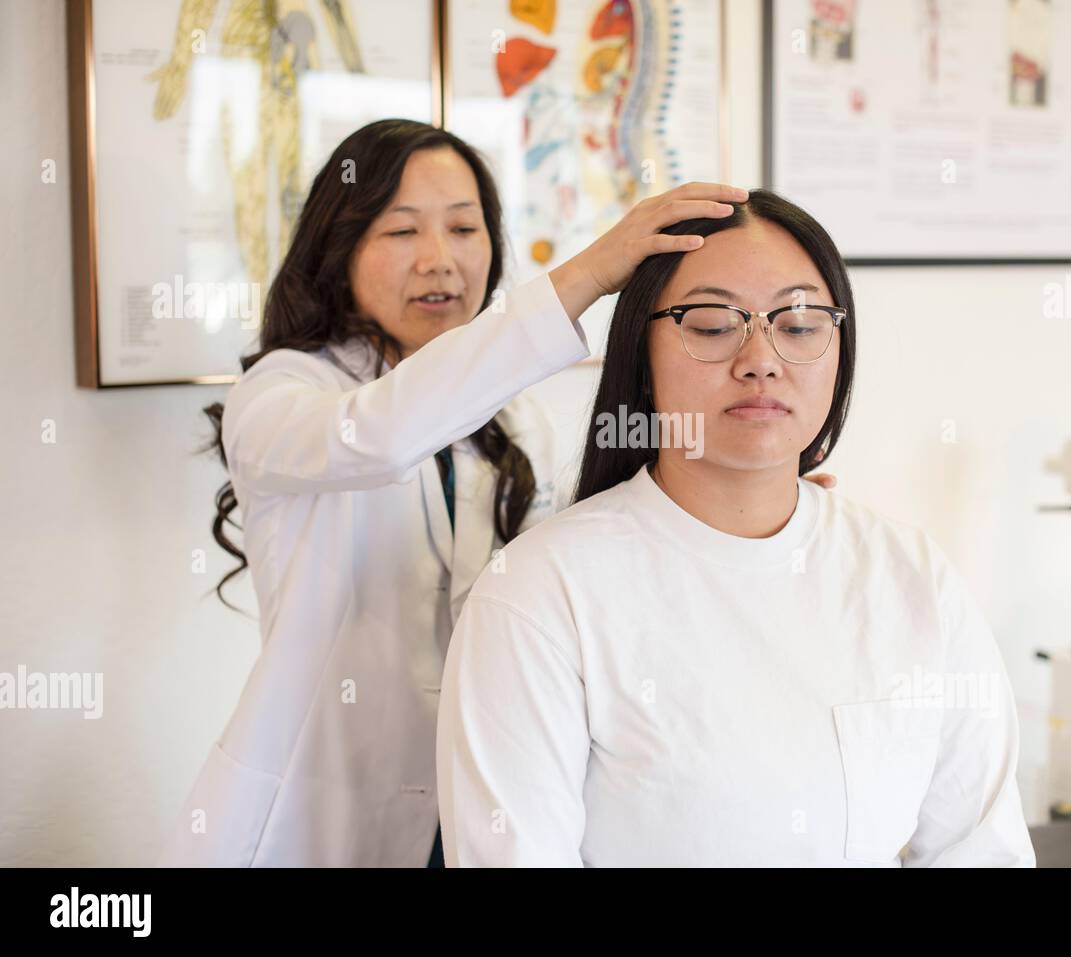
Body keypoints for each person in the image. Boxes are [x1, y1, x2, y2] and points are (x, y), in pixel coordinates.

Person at [158, 117, 751, 866]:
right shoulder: (280, 396)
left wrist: (732, 508)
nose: (440, 261)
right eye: (401, 232)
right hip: (319, 815)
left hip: (474, 798)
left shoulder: (509, 422)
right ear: (338, 250)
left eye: (464, 228)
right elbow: (379, 434)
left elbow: (573, 573)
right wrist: (589, 273)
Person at [436, 189, 1037, 867]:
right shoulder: (541, 597)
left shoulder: (911, 575)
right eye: (715, 323)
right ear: (641, 353)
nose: (761, 358)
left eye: (801, 323)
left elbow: (981, 848)